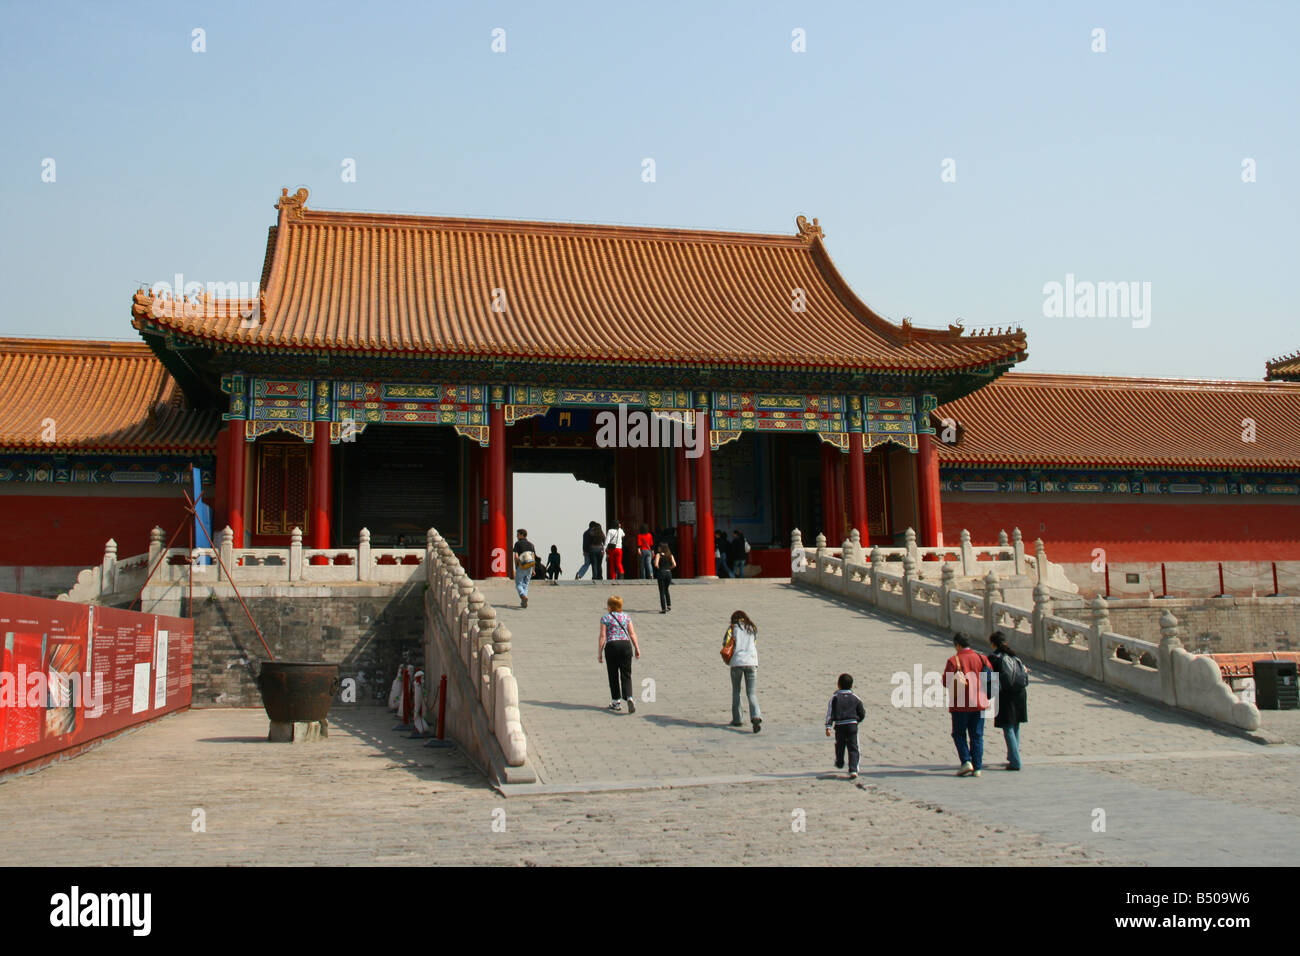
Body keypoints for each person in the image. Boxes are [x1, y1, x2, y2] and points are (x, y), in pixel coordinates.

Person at [942, 633, 993, 777]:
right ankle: (977, 767)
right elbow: (992, 678)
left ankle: (966, 761)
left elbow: (946, 682)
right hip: (979, 703)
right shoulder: (982, 658)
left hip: (961, 704)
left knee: (958, 734)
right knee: (977, 735)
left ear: (957, 645)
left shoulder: (954, 660)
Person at [988, 631, 1028, 771]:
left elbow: (990, 680)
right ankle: (1013, 756)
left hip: (1005, 695)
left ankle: (1016, 761)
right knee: (1015, 726)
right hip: (1020, 694)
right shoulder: (1014, 655)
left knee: (1008, 728)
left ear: (993, 643)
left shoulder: (994, 657)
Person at [596, 594, 641, 713]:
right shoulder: (626, 617)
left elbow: (603, 636)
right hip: (626, 646)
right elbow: (632, 633)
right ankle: (629, 697)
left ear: (610, 606)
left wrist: (600, 652)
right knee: (626, 674)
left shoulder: (605, 618)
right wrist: (637, 648)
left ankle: (616, 701)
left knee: (613, 674)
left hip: (612, 646)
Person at [722, 610, 762, 732]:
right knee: (751, 693)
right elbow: (754, 643)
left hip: (737, 662)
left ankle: (737, 719)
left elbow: (725, 643)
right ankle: (756, 715)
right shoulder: (752, 628)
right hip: (751, 662)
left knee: (736, 691)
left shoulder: (732, 628)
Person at [825, 673, 866, 779]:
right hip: (852, 725)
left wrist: (828, 726)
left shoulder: (835, 698)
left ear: (838, 685)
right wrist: (857, 721)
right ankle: (853, 769)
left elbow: (830, 713)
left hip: (840, 726)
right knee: (853, 747)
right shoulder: (855, 698)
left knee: (840, 745)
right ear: (851, 685)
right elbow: (862, 713)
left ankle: (839, 761)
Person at [512, 529, 537, 608]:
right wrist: (533, 569)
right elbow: (533, 558)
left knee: (518, 583)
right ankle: (523, 602)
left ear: (522, 535)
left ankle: (523, 596)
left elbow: (516, 556)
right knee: (525, 584)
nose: (517, 536)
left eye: (518, 534)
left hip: (521, 566)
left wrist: (516, 566)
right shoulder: (531, 544)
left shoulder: (517, 544)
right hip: (530, 566)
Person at [652, 541, 676, 613]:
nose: (658, 548)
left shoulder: (658, 555)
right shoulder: (670, 555)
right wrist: (669, 568)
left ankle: (663, 608)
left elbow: (656, 564)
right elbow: (674, 564)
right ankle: (669, 605)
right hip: (669, 573)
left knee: (661, 591)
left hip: (661, 573)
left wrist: (660, 568)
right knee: (666, 589)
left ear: (661, 548)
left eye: (659, 547)